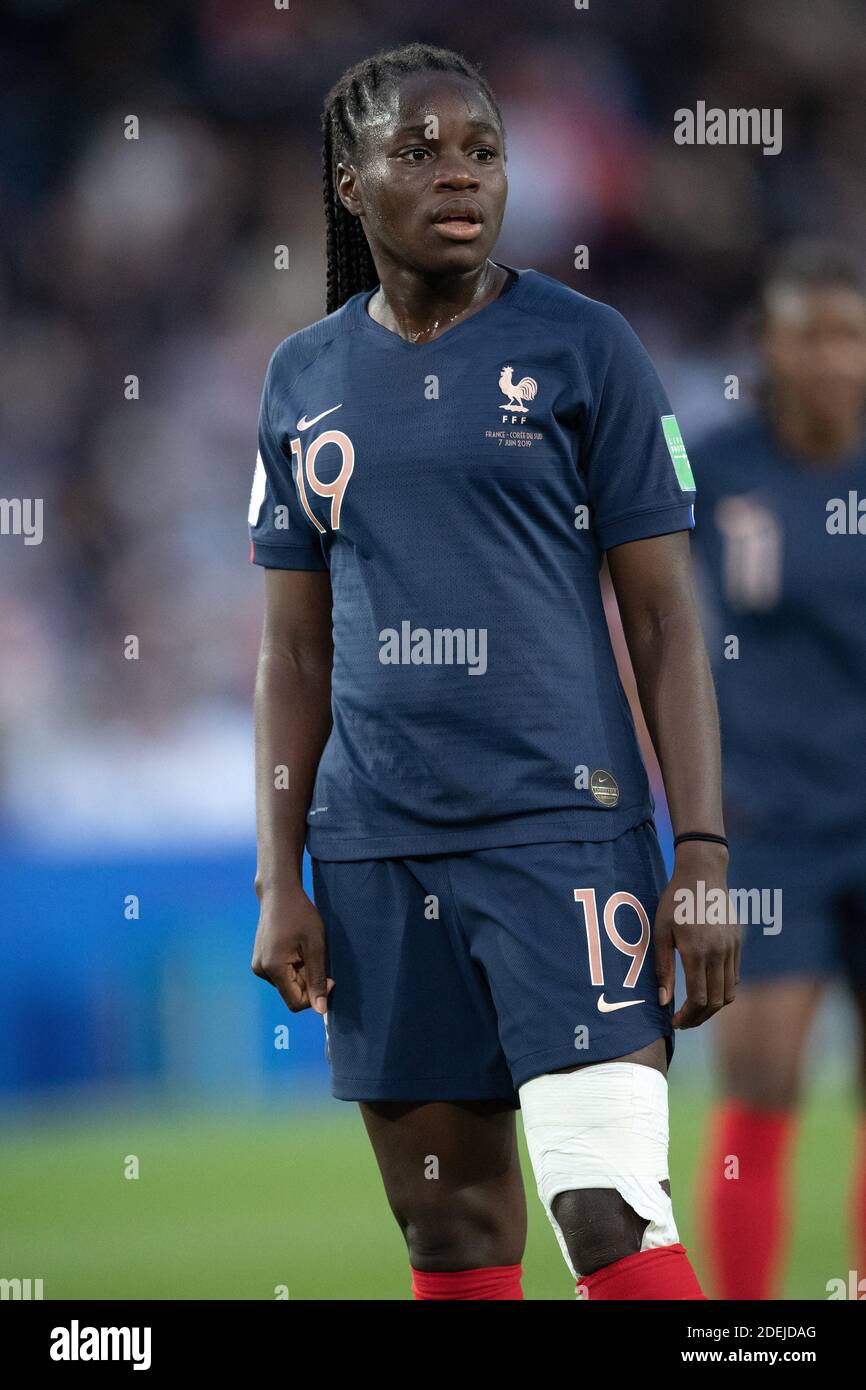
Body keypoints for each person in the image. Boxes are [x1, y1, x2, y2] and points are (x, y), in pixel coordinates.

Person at [249, 41, 736, 1301]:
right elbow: (294, 651)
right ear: (351, 185)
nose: (459, 175)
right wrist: (279, 877)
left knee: (606, 1211)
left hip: (561, 841)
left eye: (481, 150)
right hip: (374, 855)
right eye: (418, 151)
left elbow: (668, 624)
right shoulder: (300, 381)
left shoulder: (588, 348)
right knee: (451, 1236)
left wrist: (701, 851)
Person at [693, 242, 866, 1300]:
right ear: (763, 346)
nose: (829, 357)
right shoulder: (710, 466)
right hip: (766, 820)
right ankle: (745, 1329)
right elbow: (645, 622)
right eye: (805, 333)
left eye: (847, 335)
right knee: (759, 1084)